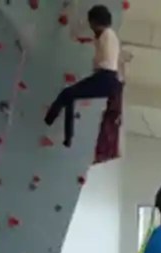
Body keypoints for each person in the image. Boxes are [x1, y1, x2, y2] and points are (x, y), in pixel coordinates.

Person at [45, 4, 121, 147]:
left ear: (95, 22)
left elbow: (99, 45)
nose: (90, 27)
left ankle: (49, 122)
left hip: (105, 78)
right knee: (68, 95)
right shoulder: (108, 36)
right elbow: (98, 44)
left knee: (67, 94)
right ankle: (66, 137)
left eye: (91, 23)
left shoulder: (106, 34)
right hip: (106, 79)